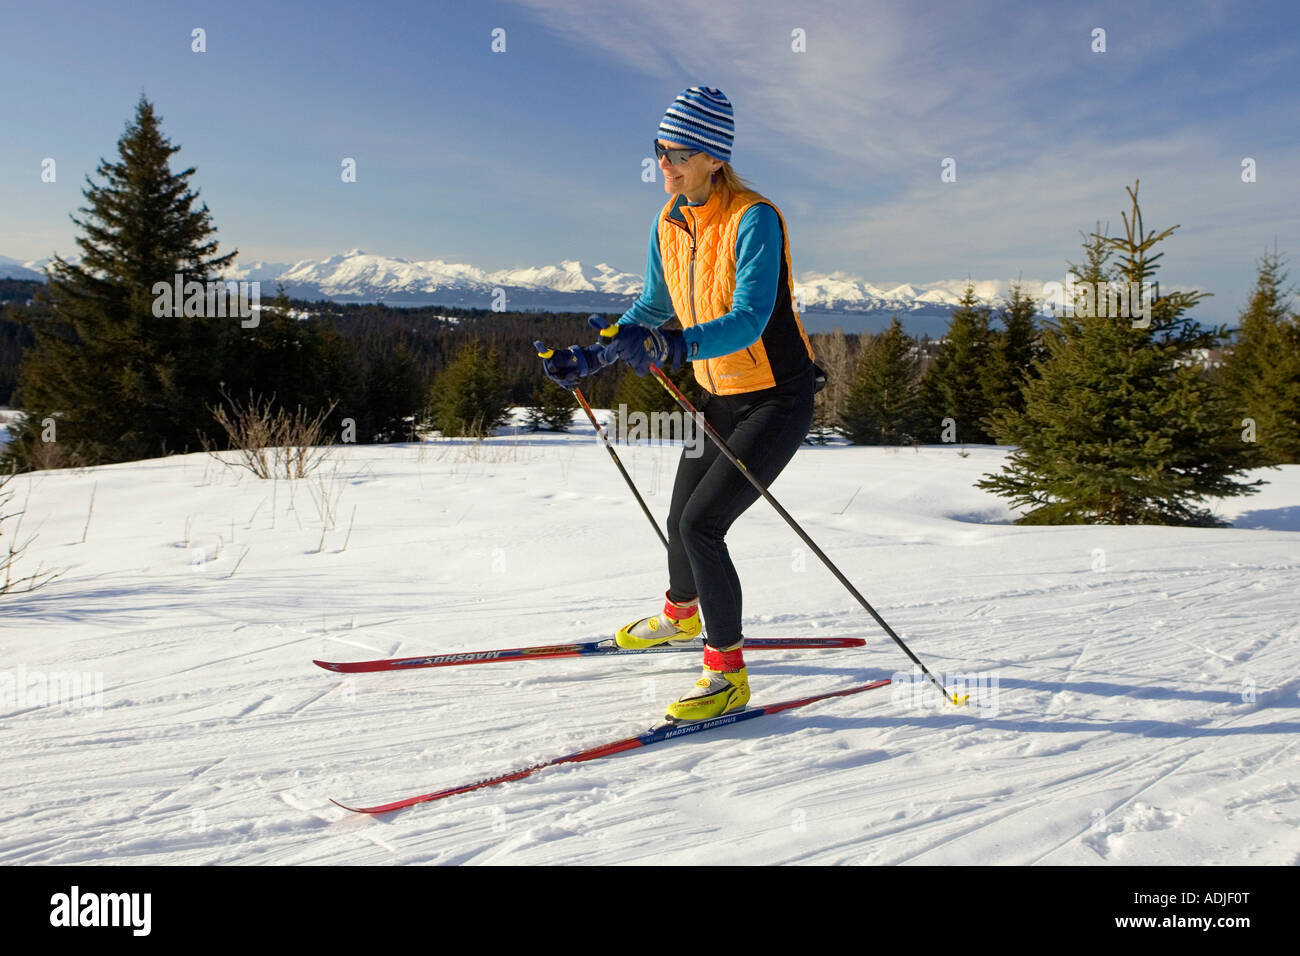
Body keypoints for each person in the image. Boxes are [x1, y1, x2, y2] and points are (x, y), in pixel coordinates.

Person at [537, 86, 820, 722]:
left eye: (677, 153)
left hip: (776, 397)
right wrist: (595, 355)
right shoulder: (670, 221)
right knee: (678, 514)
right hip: (716, 394)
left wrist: (672, 346)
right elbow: (652, 310)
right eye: (658, 150)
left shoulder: (754, 219)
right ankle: (680, 616)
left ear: (713, 158)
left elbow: (748, 319)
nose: (663, 164)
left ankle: (727, 676)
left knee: (703, 525)